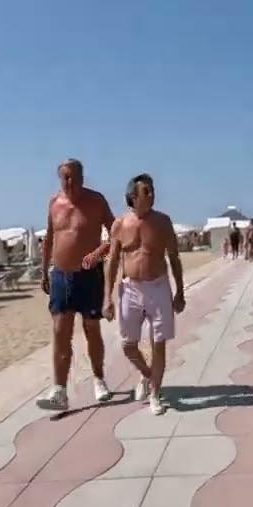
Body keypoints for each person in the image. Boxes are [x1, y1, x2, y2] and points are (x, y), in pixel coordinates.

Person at [36, 158, 116, 411]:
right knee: (61, 332)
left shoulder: (96, 201)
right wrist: (44, 271)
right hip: (61, 276)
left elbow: (116, 235)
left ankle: (99, 379)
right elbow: (49, 238)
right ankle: (59, 390)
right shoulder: (54, 203)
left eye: (74, 176)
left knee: (92, 329)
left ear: (82, 177)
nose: (69, 182)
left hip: (89, 276)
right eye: (65, 177)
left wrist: (98, 253)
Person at [104, 174, 185, 415]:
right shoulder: (119, 224)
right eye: (146, 191)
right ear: (133, 196)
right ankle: (147, 375)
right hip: (130, 288)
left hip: (158, 286)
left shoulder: (163, 222)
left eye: (152, 190)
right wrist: (107, 297)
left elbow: (174, 258)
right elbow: (112, 261)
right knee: (128, 345)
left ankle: (155, 394)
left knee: (158, 343)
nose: (152, 195)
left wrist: (180, 291)